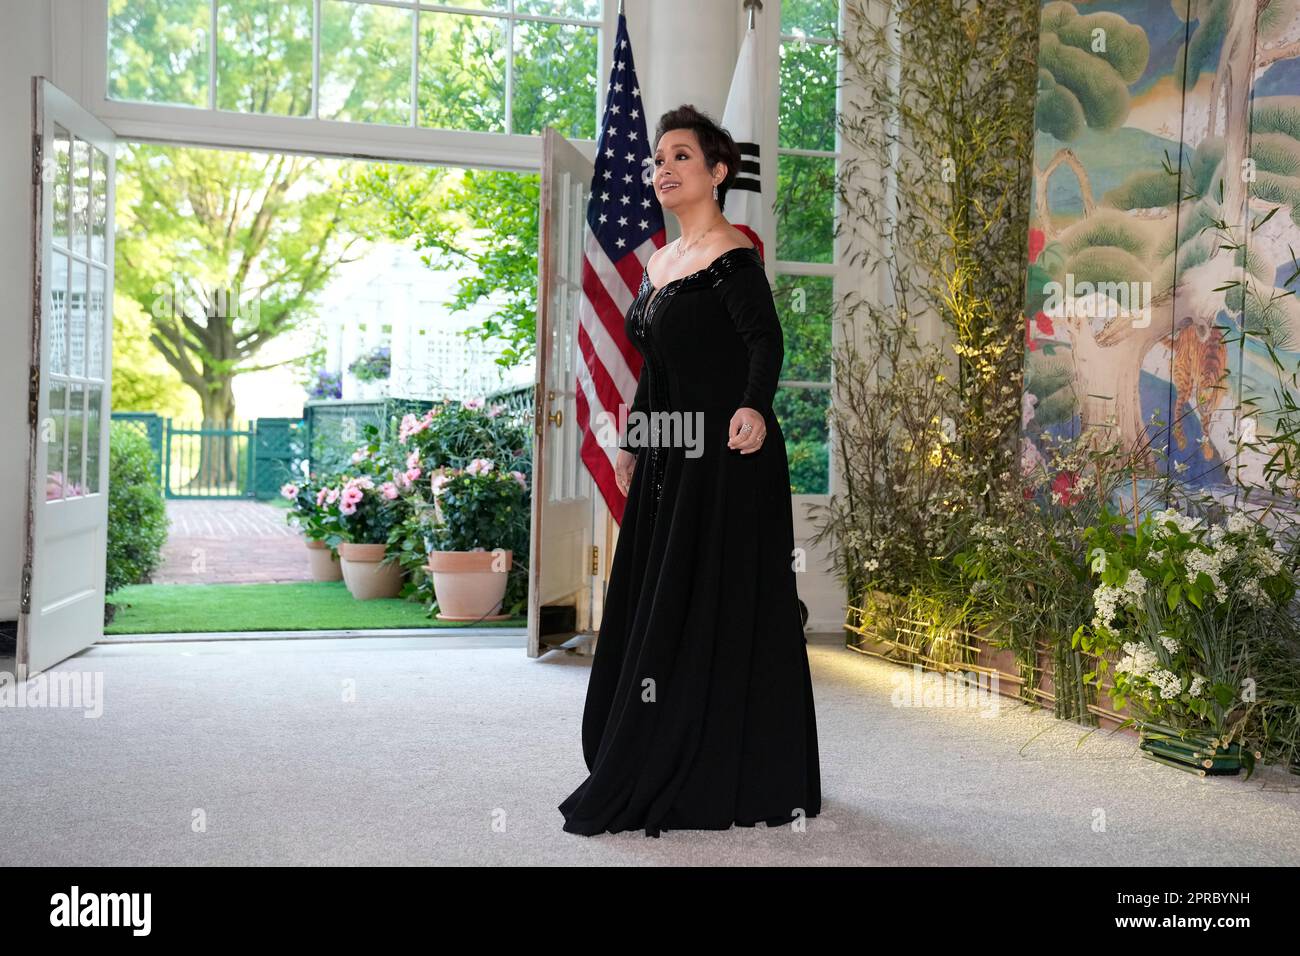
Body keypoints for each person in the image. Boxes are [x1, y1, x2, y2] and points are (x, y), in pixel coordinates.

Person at [558, 104, 822, 838]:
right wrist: (633, 441)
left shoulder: (732, 254)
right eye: (658, 159)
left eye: (680, 157)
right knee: (659, 596)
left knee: (718, 601)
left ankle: (731, 768)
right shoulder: (659, 262)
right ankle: (648, 746)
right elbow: (657, 367)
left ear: (717, 172)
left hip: (728, 458)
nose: (663, 169)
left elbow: (764, 341)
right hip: (674, 453)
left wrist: (754, 407)